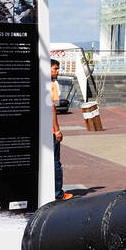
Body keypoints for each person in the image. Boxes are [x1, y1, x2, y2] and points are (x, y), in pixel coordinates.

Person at [51, 59, 72, 201]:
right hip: (51, 131)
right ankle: (58, 193)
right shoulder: (52, 85)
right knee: (55, 162)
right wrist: (57, 130)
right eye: (55, 69)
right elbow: (52, 108)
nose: (57, 71)